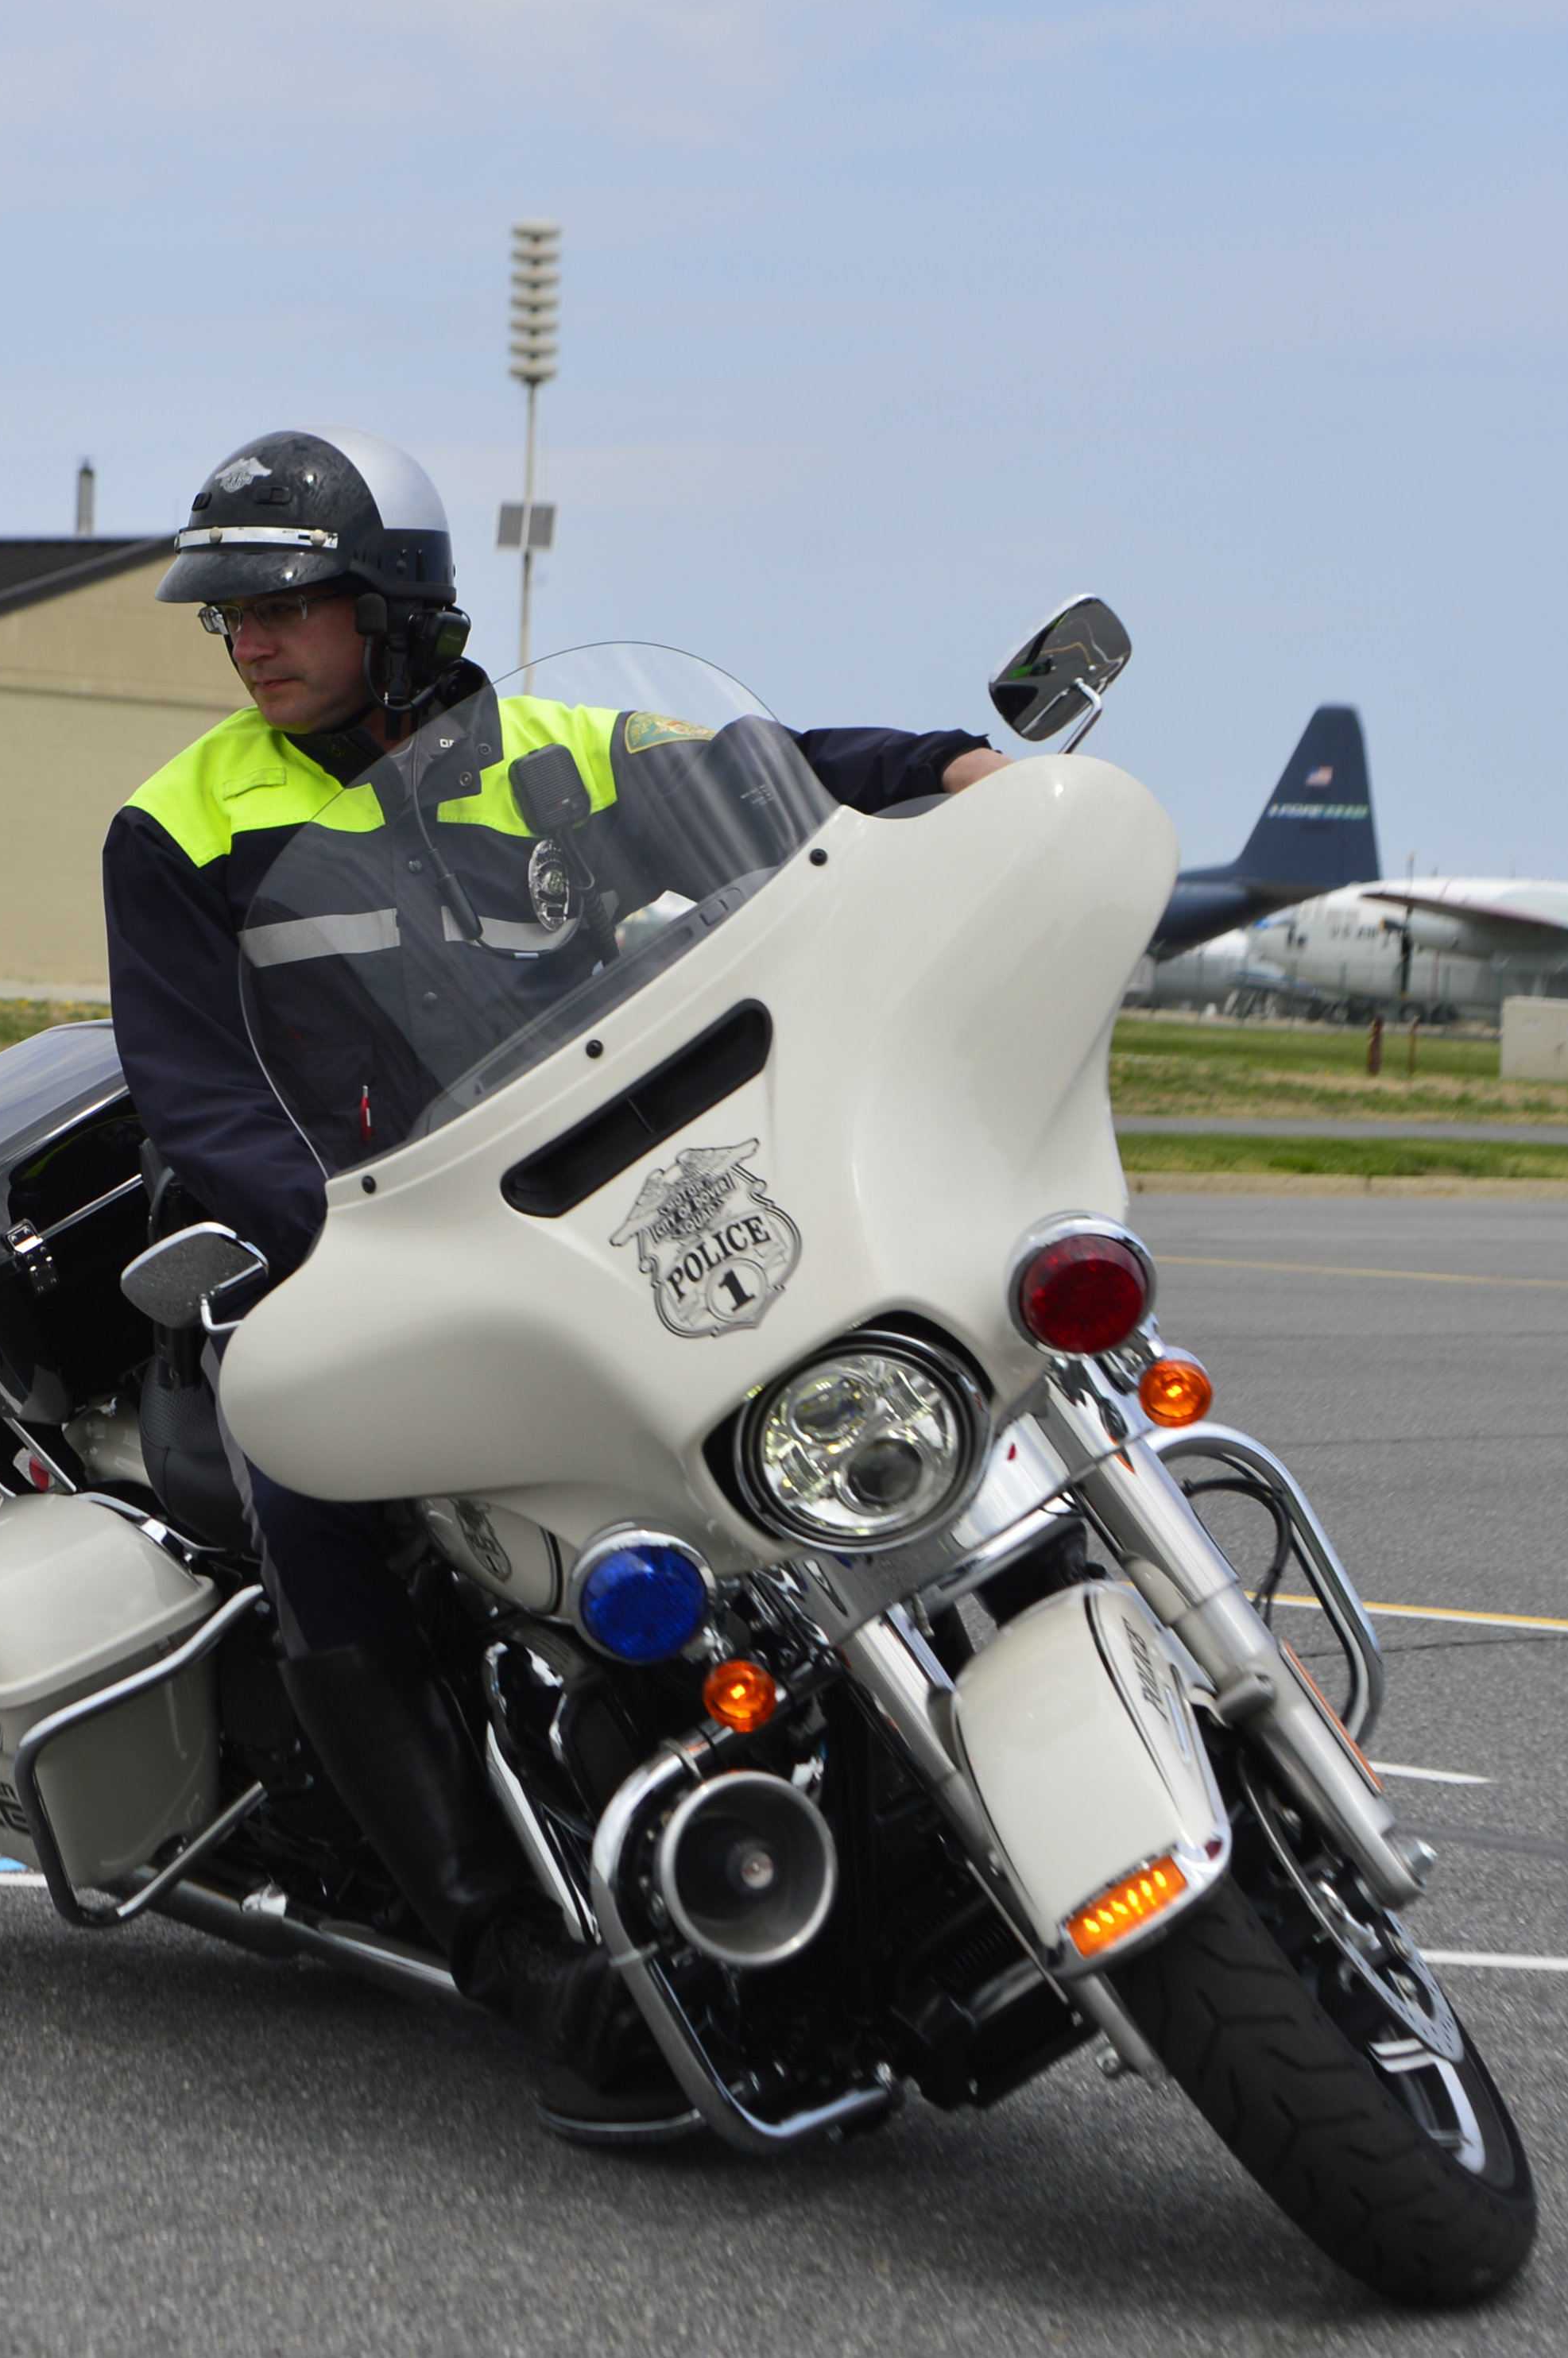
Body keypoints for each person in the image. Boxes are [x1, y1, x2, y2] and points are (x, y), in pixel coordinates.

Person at [102, 425, 1005, 2131]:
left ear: (392, 606)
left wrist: (948, 771)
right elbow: (197, 1092)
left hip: (599, 1212)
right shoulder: (181, 823)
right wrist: (331, 1258)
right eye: (229, 615)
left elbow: (761, 775)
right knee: (310, 1485)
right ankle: (506, 1945)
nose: (250, 641)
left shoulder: (554, 757)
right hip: (354, 1247)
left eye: (285, 604)